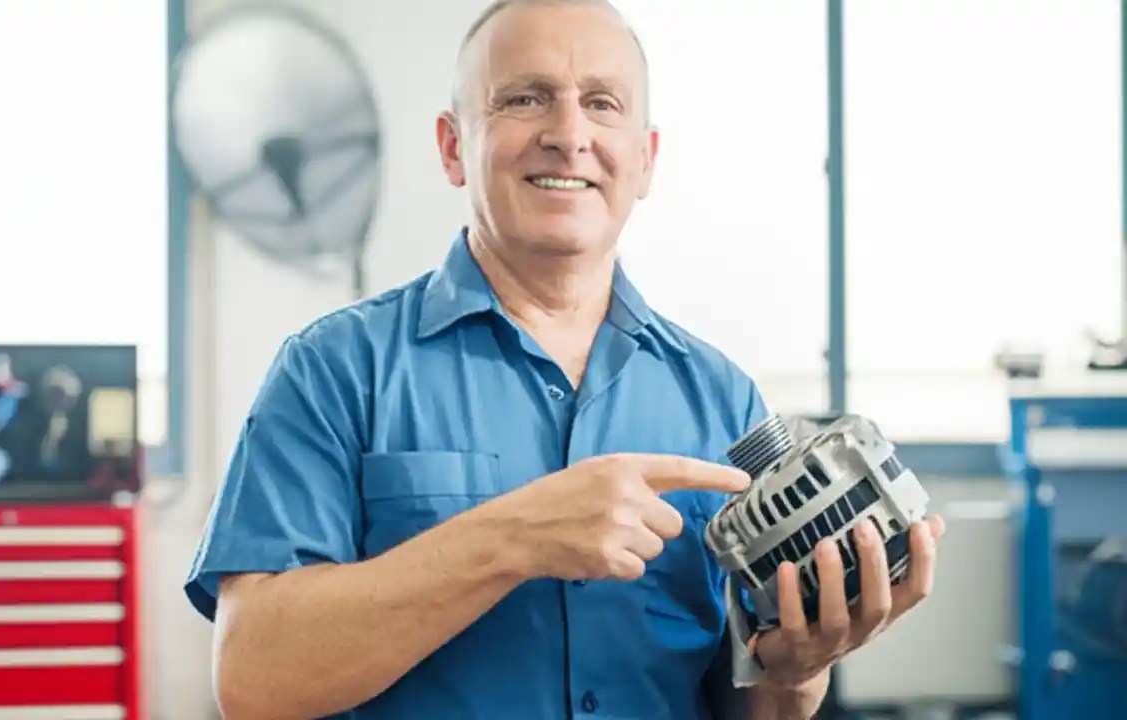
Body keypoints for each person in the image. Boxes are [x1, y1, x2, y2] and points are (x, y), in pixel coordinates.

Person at [184, 1, 945, 718]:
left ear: (644, 162)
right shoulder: (334, 370)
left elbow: (741, 701)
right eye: (525, 98)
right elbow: (254, 678)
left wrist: (796, 671)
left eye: (603, 103)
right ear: (454, 148)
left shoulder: (721, 399)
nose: (569, 133)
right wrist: (513, 537)